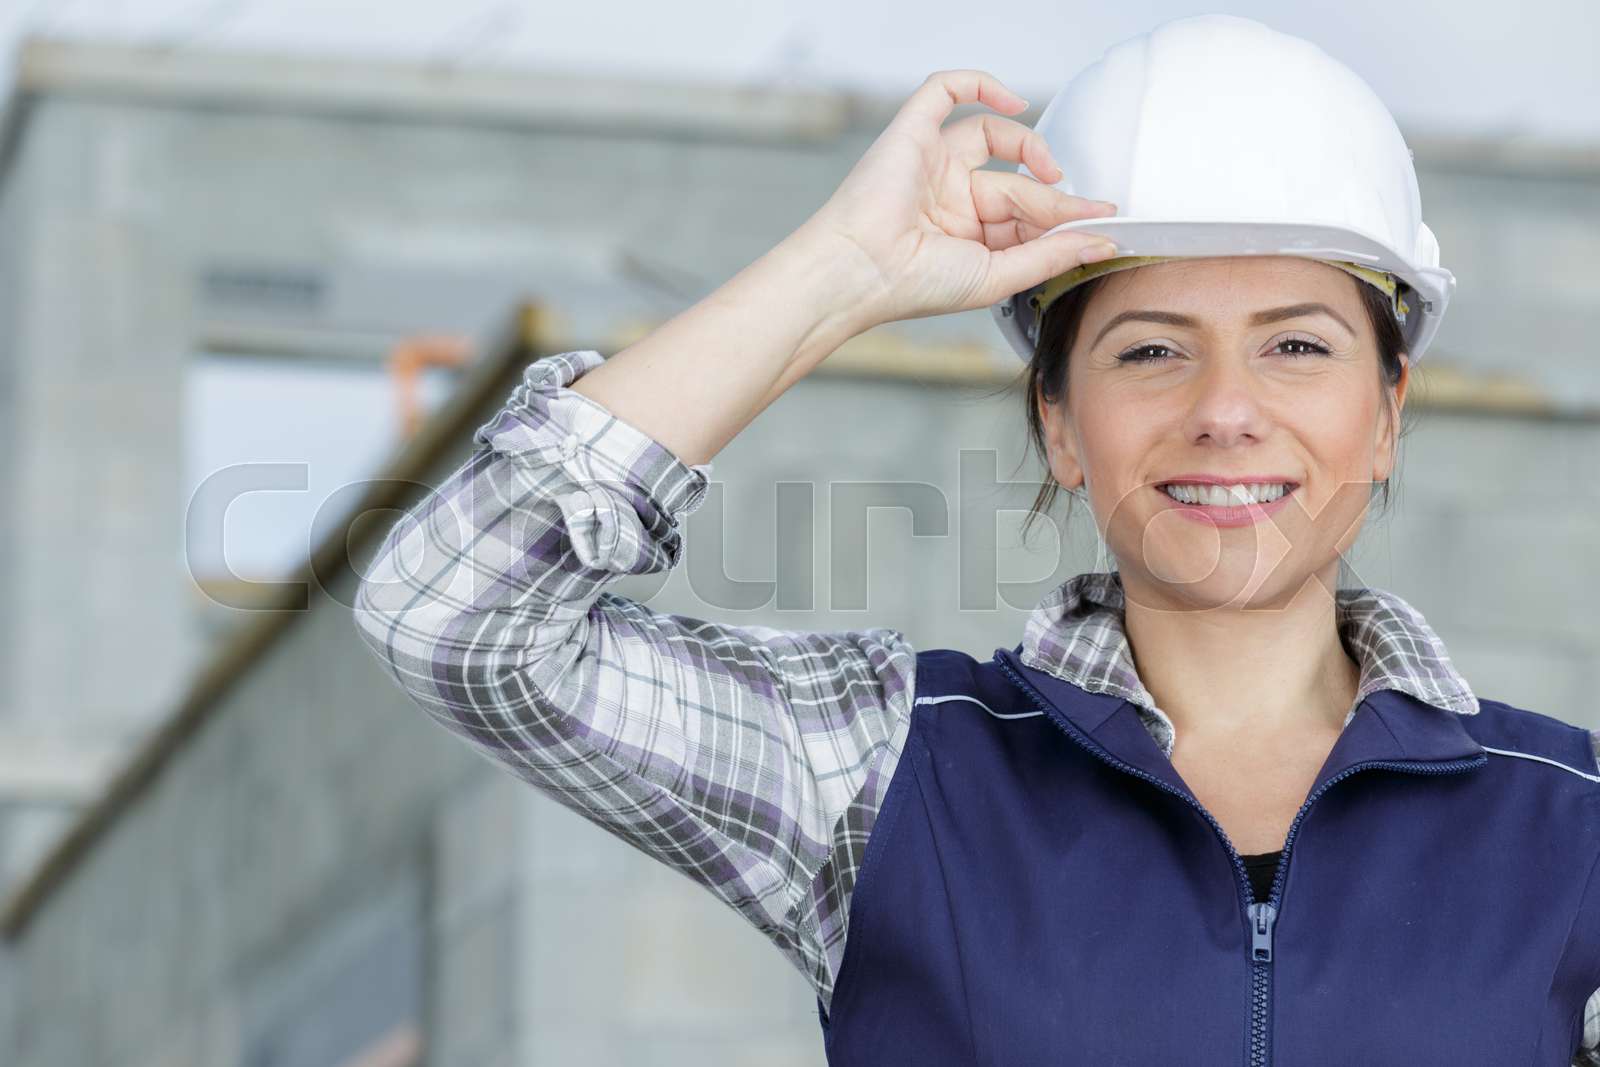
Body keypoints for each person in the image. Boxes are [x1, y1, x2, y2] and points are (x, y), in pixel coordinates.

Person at [352, 14, 1600, 1065]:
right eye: (1151, 348)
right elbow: (450, 617)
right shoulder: (879, 773)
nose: (1225, 410)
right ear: (1059, 422)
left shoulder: (1572, 827)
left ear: (1385, 413)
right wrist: (839, 273)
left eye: (1297, 345)